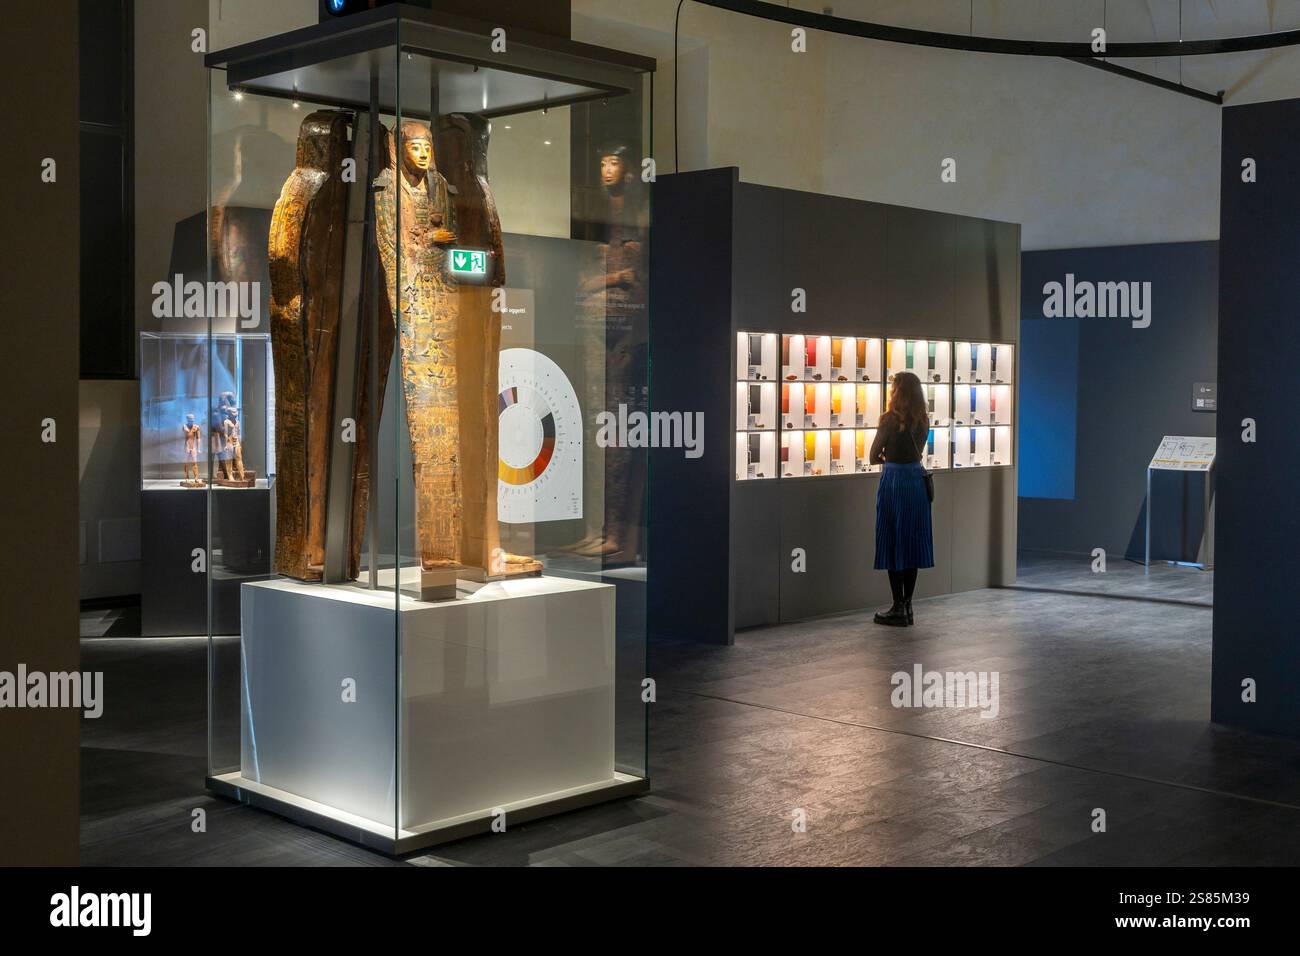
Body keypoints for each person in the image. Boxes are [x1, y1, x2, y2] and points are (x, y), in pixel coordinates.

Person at [869, 371, 935, 626]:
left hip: (894, 482)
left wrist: (887, 456)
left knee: (892, 539)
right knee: (912, 543)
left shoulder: (888, 420)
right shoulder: (924, 420)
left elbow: (874, 455)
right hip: (916, 482)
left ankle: (897, 606)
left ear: (897, 392)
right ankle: (908, 606)